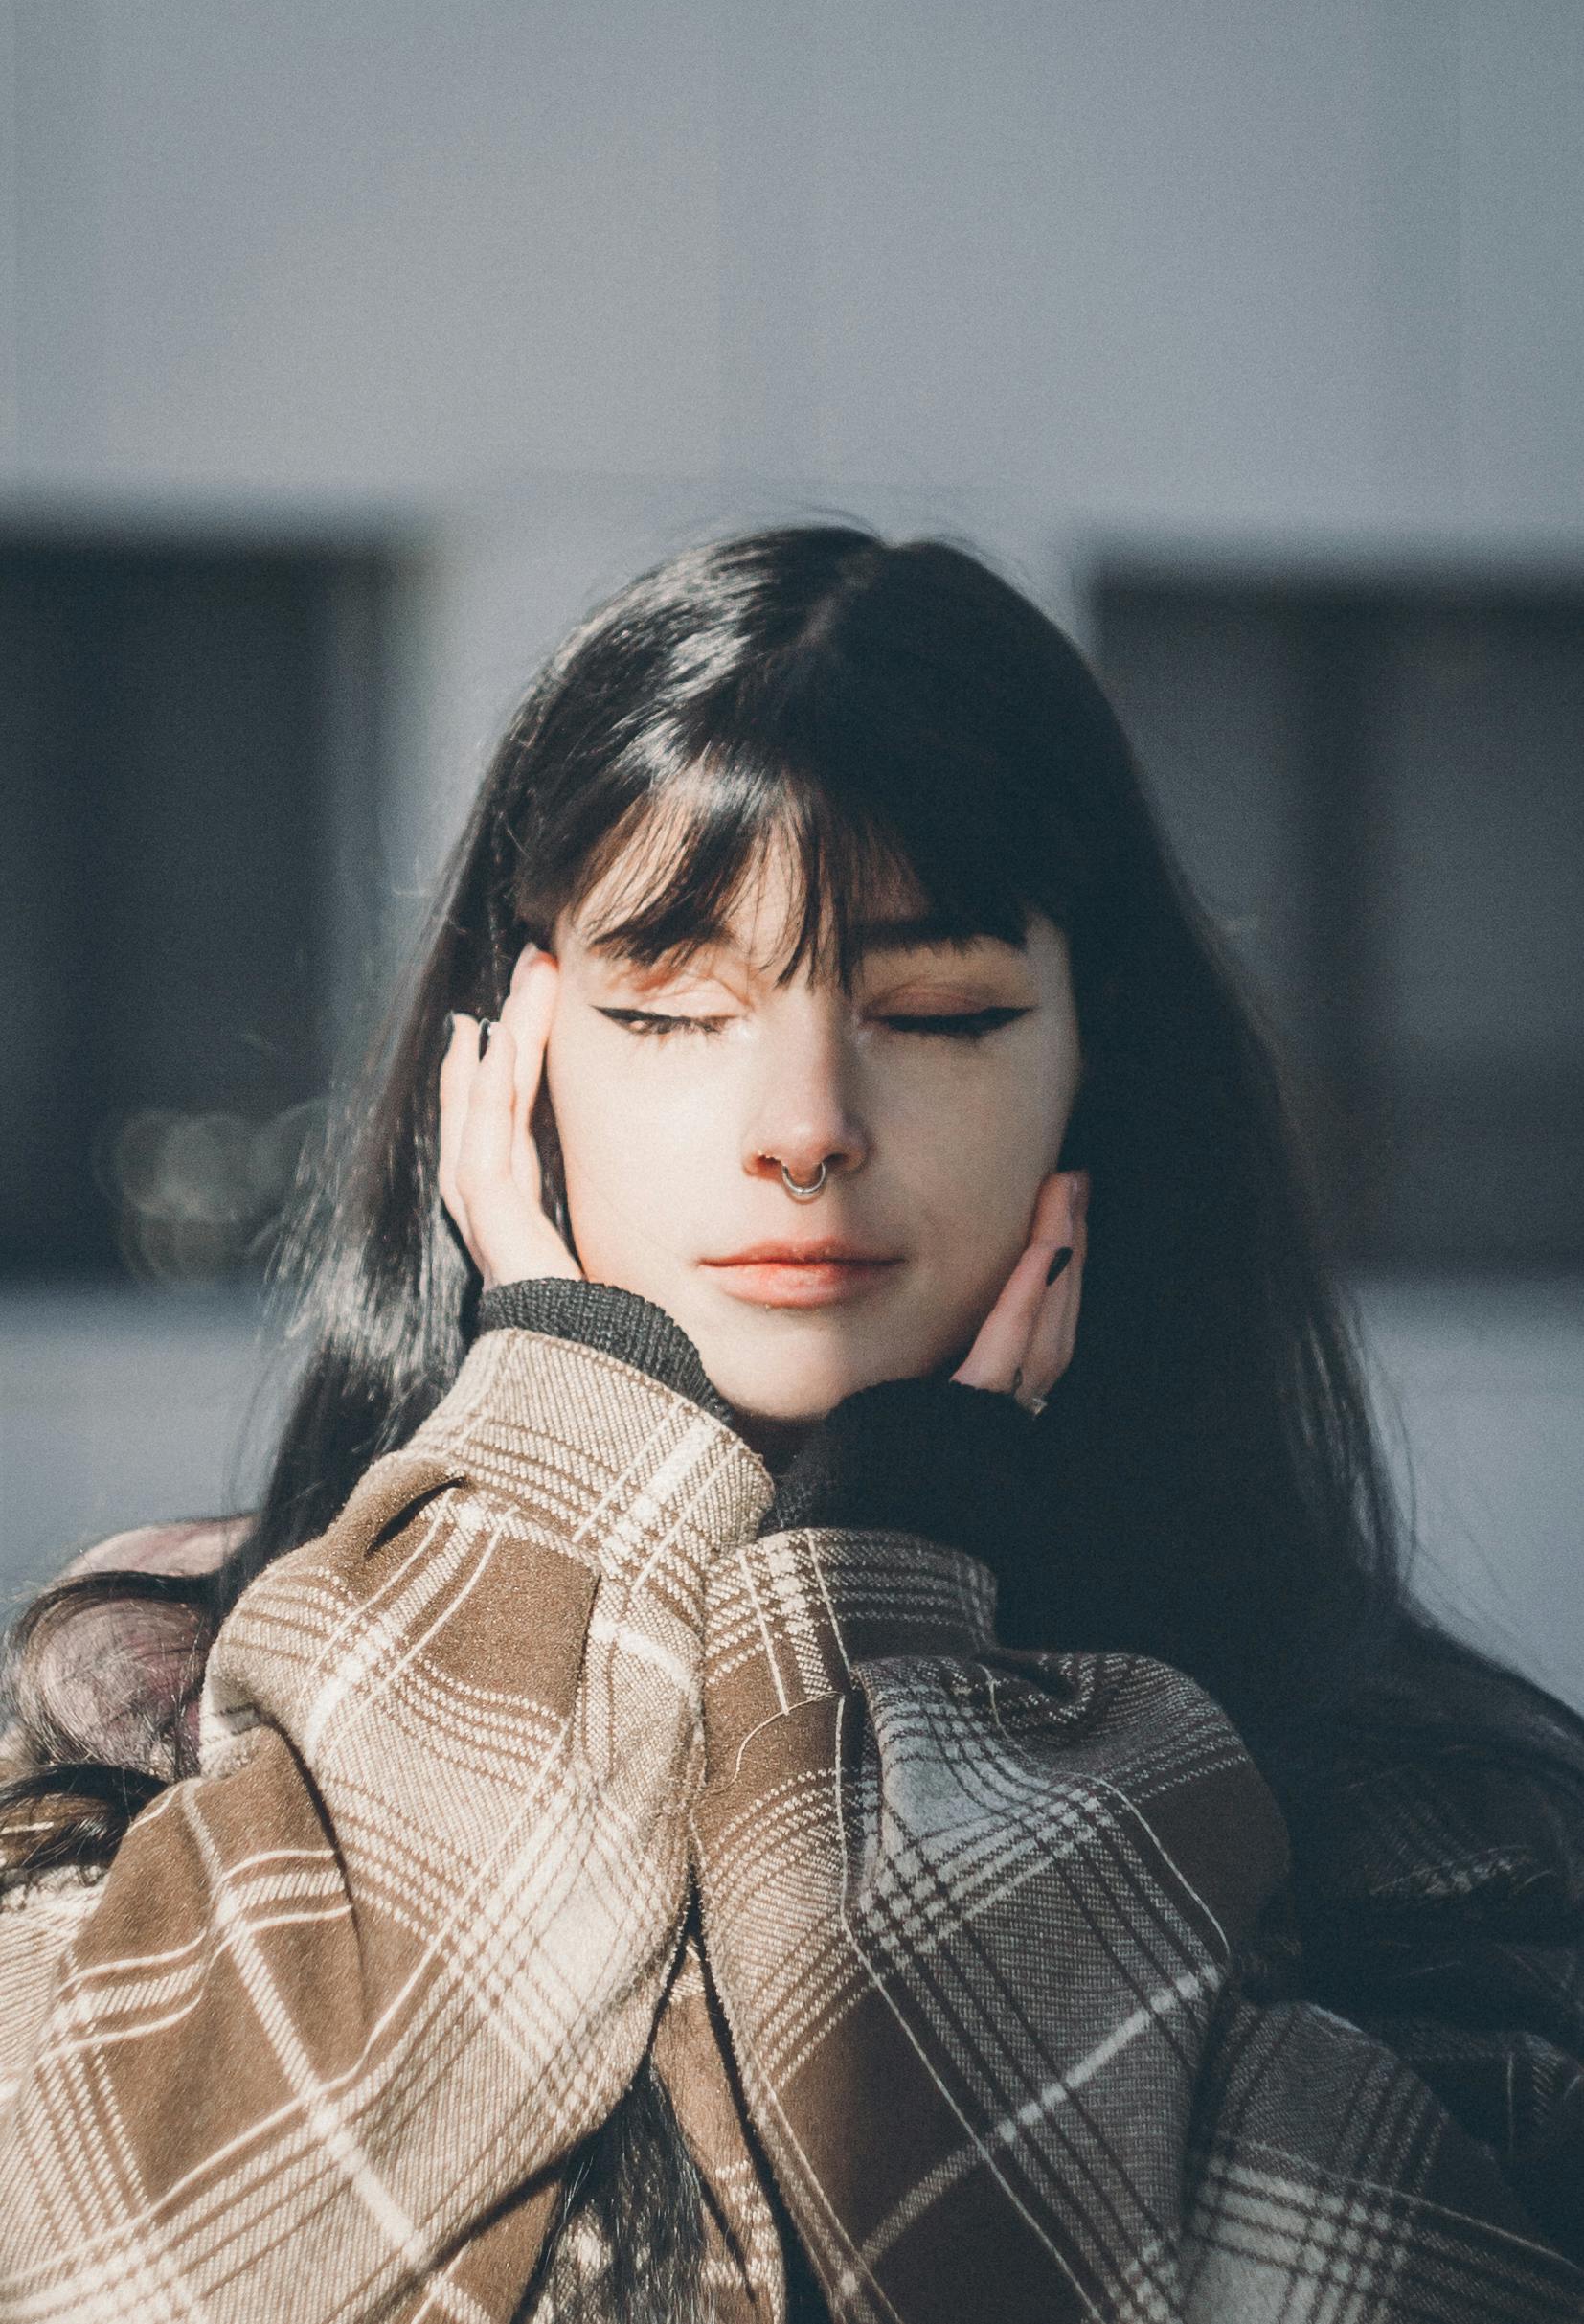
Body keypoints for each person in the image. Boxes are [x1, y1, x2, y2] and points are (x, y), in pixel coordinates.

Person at [2, 525, 1581, 2322]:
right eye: (674, 1010)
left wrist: (891, 1626)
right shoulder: (150, 1707)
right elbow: (114, 2268)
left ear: (1094, 1066)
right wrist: (557, 1475)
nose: (805, 1121)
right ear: (505, 1070)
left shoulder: (1434, 1827)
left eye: (939, 1010)